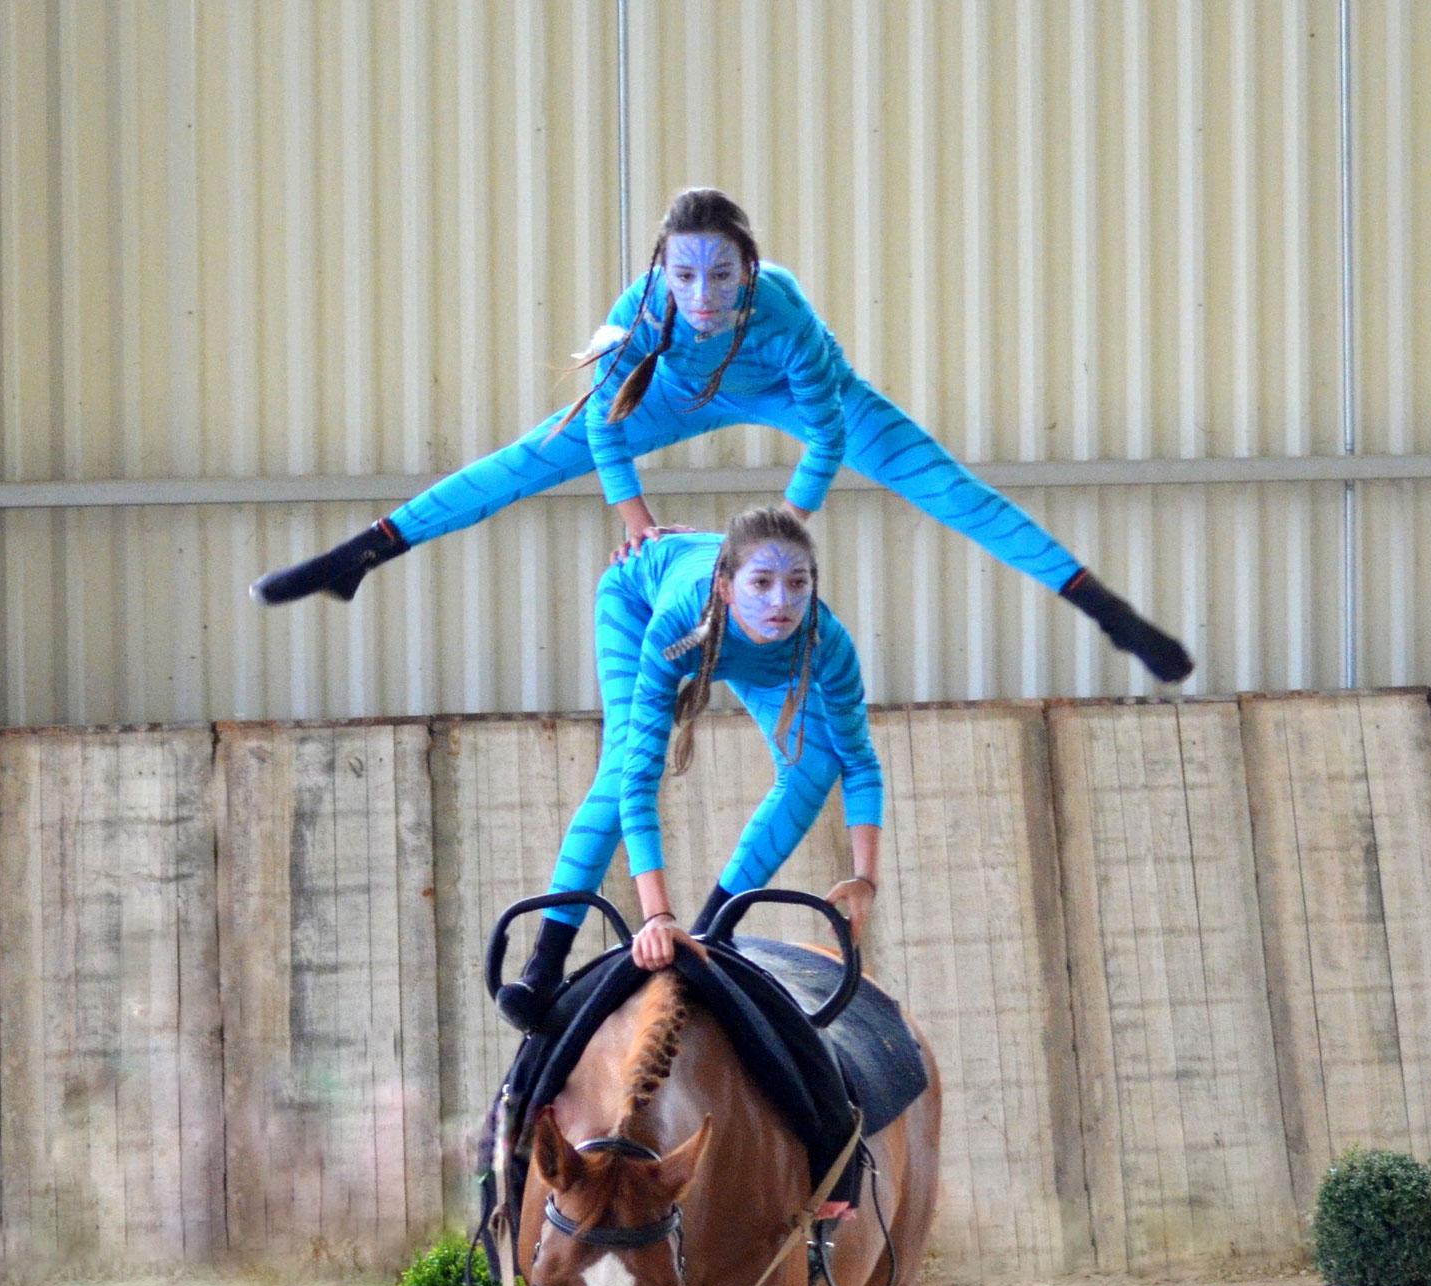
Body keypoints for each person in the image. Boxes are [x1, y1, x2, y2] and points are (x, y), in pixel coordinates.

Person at [253, 188, 1191, 685]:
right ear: (664, 268)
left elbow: (826, 432)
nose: (702, 296)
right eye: (686, 275)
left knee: (946, 485)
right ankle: (359, 555)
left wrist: (786, 519)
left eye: (721, 277)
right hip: (670, 393)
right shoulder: (643, 310)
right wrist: (633, 514)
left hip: (783, 392)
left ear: (748, 271)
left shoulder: (788, 320)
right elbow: (609, 423)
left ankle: (1109, 611)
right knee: (526, 461)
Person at [495, 505, 879, 1050]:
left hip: (753, 651)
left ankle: (713, 932)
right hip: (659, 616)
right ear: (726, 585)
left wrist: (866, 877)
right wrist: (657, 918)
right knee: (622, 766)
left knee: (815, 765)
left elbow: (860, 761)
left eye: (798, 584)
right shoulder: (679, 624)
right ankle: (544, 964)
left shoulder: (824, 638)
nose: (781, 602)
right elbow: (640, 782)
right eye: (763, 583)